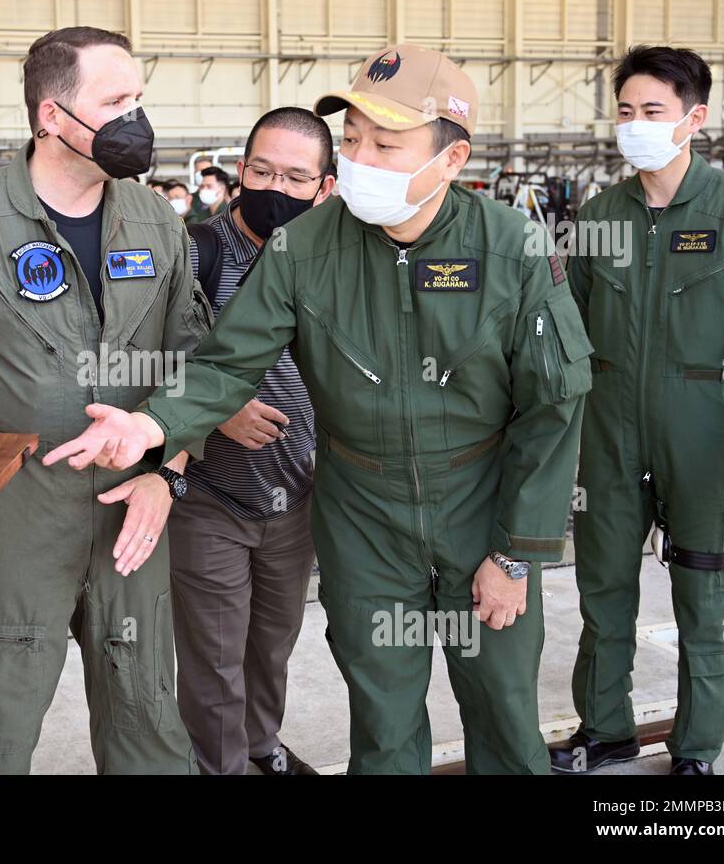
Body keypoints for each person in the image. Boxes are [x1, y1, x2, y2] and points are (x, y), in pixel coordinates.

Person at [44, 43, 593, 775]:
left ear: (452, 160)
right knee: (383, 715)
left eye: (386, 143)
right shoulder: (305, 248)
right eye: (357, 138)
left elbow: (552, 410)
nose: (362, 158)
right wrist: (150, 425)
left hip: (480, 501)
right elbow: (227, 363)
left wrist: (515, 551)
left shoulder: (513, 248)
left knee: (500, 705)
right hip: (361, 511)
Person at [0, 25, 211, 775]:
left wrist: (170, 473)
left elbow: (198, 363)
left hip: (134, 513)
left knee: (148, 723)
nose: (136, 118)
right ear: (52, 117)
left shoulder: (157, 221)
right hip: (16, 518)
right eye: (115, 100)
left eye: (139, 98)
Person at [553, 46, 724, 777]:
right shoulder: (599, 214)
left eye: (653, 111)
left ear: (695, 117)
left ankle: (696, 748)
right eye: (626, 112)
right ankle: (605, 729)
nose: (637, 125)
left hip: (703, 429)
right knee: (603, 587)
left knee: (701, 587)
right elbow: (570, 335)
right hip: (609, 427)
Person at [173, 107, 334, 775]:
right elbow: (142, 358)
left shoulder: (329, 259)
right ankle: (223, 767)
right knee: (215, 655)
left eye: (298, 177)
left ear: (324, 188)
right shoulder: (197, 254)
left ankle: (263, 749)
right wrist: (215, 410)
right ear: (240, 172)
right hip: (212, 496)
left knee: (272, 642)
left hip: (296, 496)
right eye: (262, 170)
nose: (277, 188)